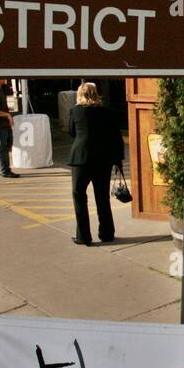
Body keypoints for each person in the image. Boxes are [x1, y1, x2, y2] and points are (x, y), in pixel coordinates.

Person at [67, 81, 123, 246]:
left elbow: (72, 132)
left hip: (81, 159)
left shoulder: (75, 112)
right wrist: (117, 159)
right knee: (102, 197)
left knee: (79, 196)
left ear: (80, 95)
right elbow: (115, 137)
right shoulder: (107, 112)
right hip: (103, 159)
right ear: (96, 94)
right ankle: (106, 233)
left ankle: (83, 236)